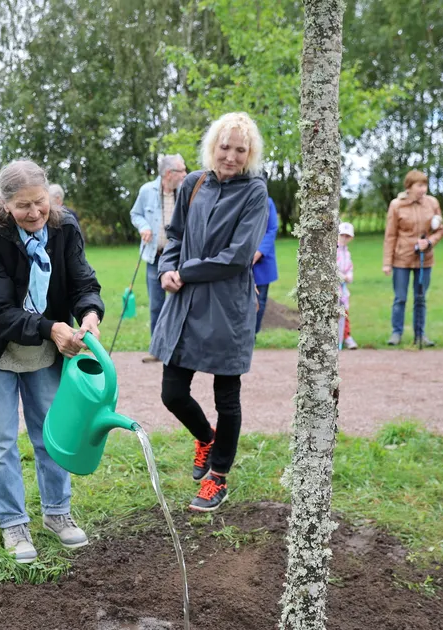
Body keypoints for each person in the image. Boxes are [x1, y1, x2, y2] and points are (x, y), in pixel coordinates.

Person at [0, 159, 104, 563]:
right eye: (23, 206)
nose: (35, 213)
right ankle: (13, 523)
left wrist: (90, 313)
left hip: (45, 345)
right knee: (0, 442)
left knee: (50, 433)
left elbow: (83, 282)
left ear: (49, 197)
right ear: (5, 204)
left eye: (40, 202)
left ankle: (57, 514)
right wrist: (52, 328)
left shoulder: (64, 226)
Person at [151, 112, 268, 513]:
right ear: (212, 146)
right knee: (172, 392)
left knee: (227, 397)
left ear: (249, 153)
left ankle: (218, 477)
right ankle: (205, 437)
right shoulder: (192, 183)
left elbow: (237, 257)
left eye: (240, 149)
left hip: (226, 308)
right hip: (185, 304)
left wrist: (184, 271)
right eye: (225, 147)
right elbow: (176, 236)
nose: (231, 156)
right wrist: (168, 267)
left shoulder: (255, 191)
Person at [130, 154, 188, 363]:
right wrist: (144, 227)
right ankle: (156, 349)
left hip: (178, 260)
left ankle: (177, 348)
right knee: (156, 305)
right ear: (169, 174)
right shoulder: (147, 191)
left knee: (179, 303)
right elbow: (135, 214)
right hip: (154, 257)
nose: (185, 174)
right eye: (182, 171)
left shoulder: (185, 190)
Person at [382, 170, 443, 346]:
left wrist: (430, 242)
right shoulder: (396, 205)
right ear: (409, 187)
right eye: (419, 185)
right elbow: (390, 235)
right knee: (400, 298)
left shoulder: (432, 203)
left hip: (425, 259)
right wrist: (387, 262)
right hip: (401, 258)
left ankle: (420, 334)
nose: (423, 189)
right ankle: (396, 333)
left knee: (420, 298)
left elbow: (440, 229)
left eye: (424, 185)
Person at [253, 196, 279, 332]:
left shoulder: (268, 202)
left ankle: (253, 335)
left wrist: (258, 253)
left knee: (259, 302)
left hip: (261, 263)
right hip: (238, 258)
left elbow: (272, 229)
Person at [337, 222, 358, 349]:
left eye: (347, 236)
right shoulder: (334, 249)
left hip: (343, 287)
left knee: (344, 312)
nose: (344, 238)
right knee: (334, 312)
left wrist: (348, 276)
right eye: (342, 235)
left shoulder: (347, 253)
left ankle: (346, 336)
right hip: (333, 287)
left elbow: (349, 267)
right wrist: (339, 275)